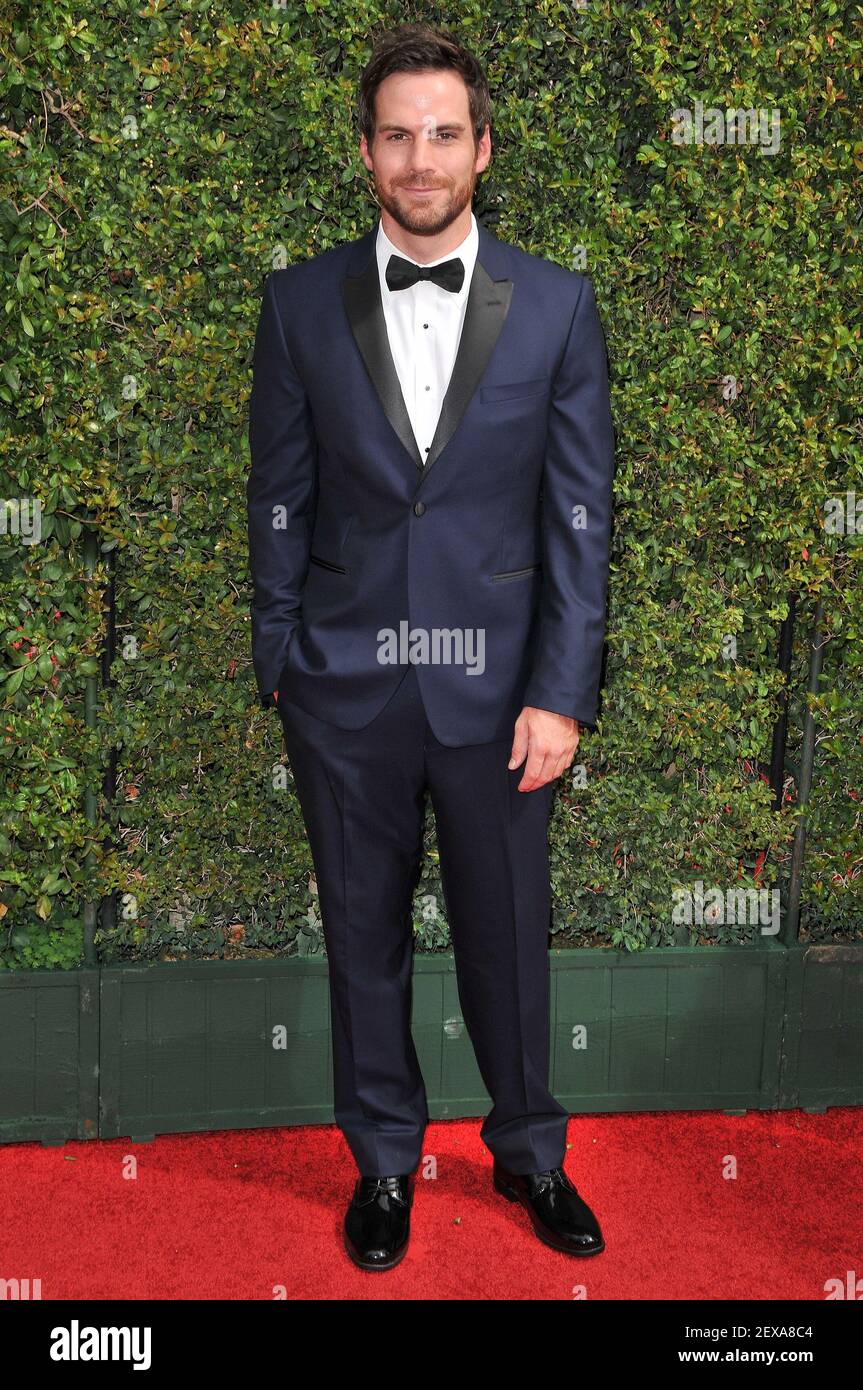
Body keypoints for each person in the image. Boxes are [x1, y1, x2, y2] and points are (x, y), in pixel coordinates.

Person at [247, 21, 615, 1271]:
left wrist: (561, 691)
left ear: (481, 148)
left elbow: (579, 513)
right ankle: (385, 1163)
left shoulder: (558, 305)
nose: (420, 157)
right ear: (365, 154)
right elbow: (277, 493)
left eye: (442, 133)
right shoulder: (298, 302)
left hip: (503, 693)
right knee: (362, 936)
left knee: (508, 932)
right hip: (343, 691)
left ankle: (527, 1154)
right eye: (397, 134)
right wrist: (281, 657)